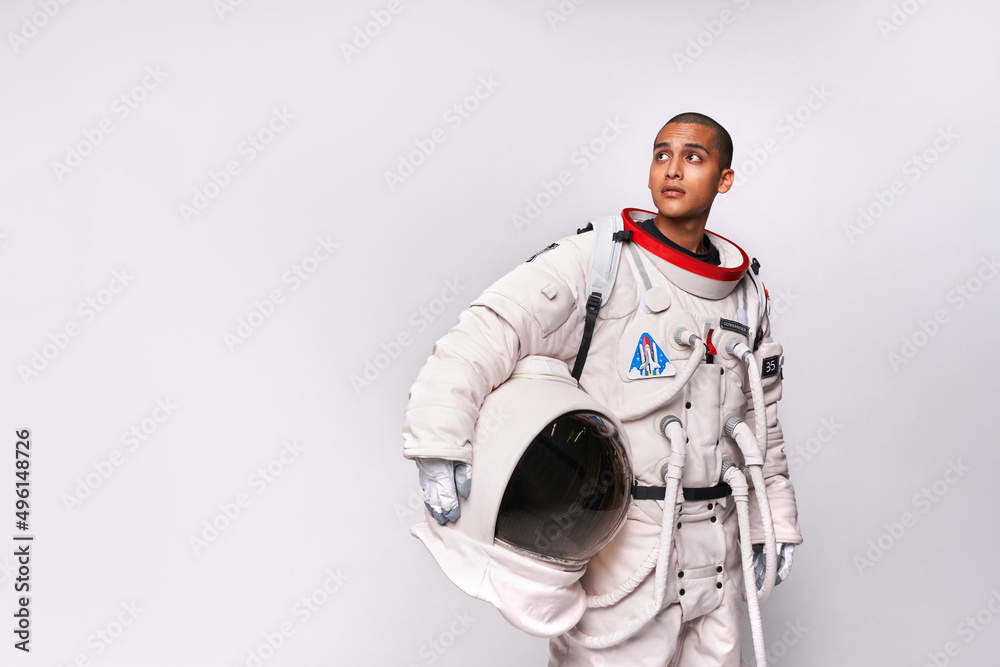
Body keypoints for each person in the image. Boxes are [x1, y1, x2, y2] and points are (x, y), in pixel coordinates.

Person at [403, 112, 802, 666]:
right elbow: (488, 330)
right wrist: (438, 439)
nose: (672, 169)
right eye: (662, 154)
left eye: (693, 157)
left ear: (724, 179)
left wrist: (771, 521)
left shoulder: (746, 296)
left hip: (720, 547)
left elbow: (762, 423)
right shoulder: (602, 264)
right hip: (628, 548)